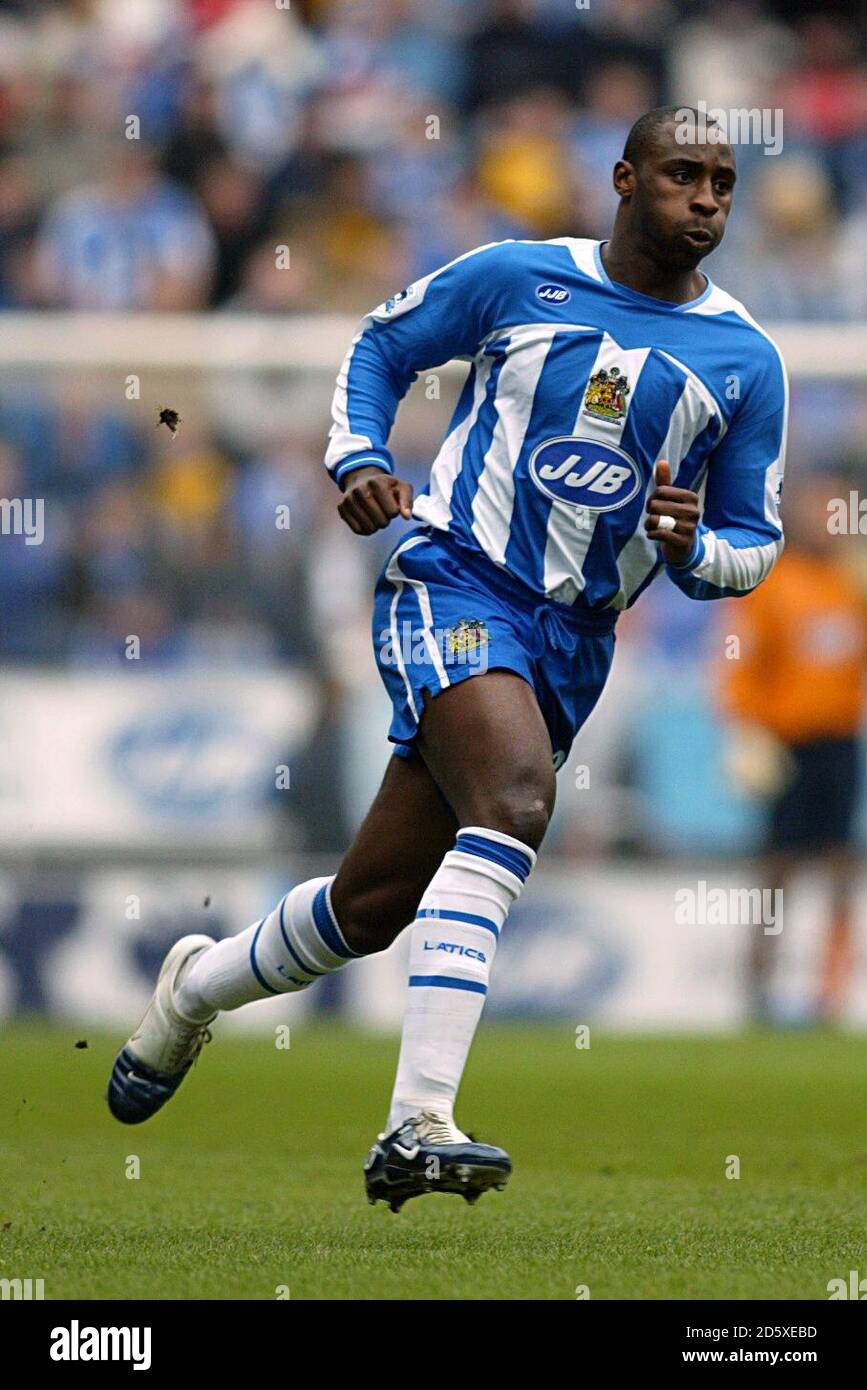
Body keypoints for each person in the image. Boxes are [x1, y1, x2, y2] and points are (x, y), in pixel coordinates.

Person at [108, 107, 788, 1213]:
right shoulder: (517, 277)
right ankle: (416, 1120)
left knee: (370, 906)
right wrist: (360, 457)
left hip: (571, 643)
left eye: (722, 181)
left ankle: (195, 986)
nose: (706, 198)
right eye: (681, 175)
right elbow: (383, 342)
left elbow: (753, 543)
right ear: (624, 179)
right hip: (456, 578)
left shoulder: (747, 359)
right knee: (515, 801)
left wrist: (692, 546)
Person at [721, 476, 866, 1024]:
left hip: (839, 742)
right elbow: (739, 665)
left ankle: (832, 992)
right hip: (785, 744)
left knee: (839, 866)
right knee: (777, 867)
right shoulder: (774, 586)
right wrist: (746, 731)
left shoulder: (851, 583)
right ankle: (757, 986)